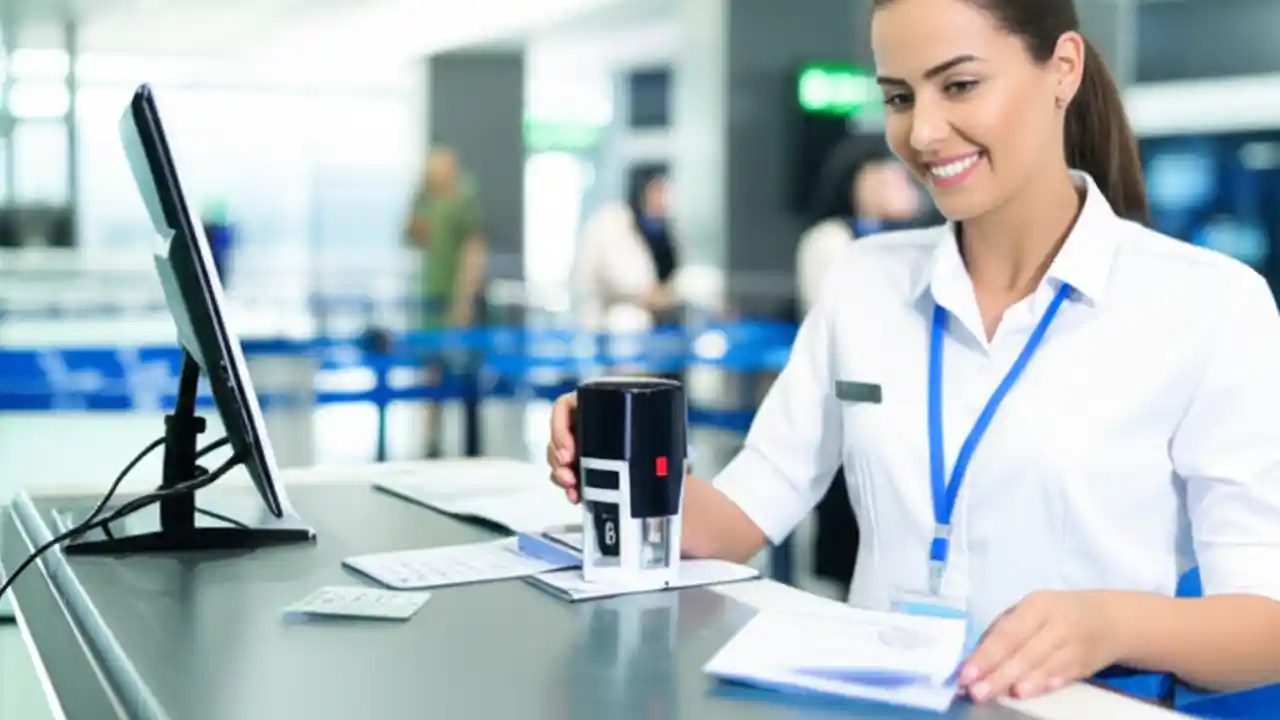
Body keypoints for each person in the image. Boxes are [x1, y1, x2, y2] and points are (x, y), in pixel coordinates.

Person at [546, 0, 1280, 704]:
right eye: (899, 97)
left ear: (1062, 69)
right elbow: (739, 520)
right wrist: (619, 450)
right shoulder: (863, 282)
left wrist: (1108, 623)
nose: (924, 132)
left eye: (960, 85)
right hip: (873, 705)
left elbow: (1265, 623)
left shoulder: (1208, 305)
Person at [797, 140, 922, 592]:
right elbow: (847, 324)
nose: (896, 184)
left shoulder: (911, 240)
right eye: (882, 175)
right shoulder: (832, 239)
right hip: (852, 395)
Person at [403, 146, 487, 457]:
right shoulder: (426, 201)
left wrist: (463, 300)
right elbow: (411, 236)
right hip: (430, 300)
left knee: (465, 373)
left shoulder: (463, 200)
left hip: (456, 302)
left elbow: (474, 251)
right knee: (431, 372)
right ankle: (431, 442)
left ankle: (471, 447)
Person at [576, 171, 680, 333]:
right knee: (628, 320)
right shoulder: (613, 223)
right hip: (609, 324)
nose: (663, 201)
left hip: (646, 325)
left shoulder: (658, 233)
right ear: (642, 192)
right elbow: (634, 285)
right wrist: (668, 297)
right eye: (657, 192)